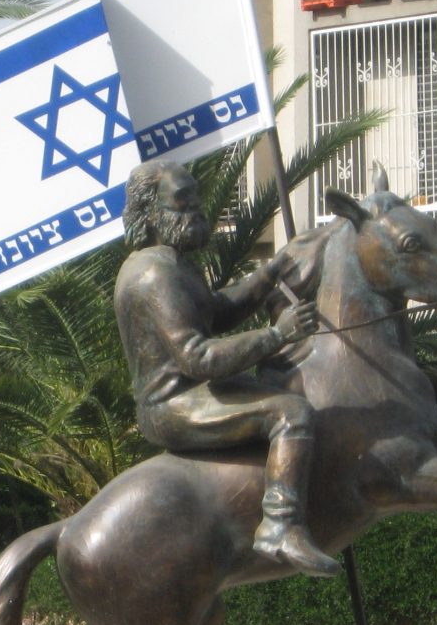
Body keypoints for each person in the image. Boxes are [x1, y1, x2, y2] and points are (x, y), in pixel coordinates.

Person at [114, 160, 340, 577]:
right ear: (150, 215)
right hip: (173, 404)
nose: (198, 210)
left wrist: (270, 272)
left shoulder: (175, 263)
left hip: (195, 391)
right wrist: (277, 335)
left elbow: (218, 312)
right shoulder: (152, 274)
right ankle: (279, 525)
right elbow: (198, 357)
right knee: (291, 413)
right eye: (183, 202)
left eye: (196, 198)